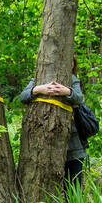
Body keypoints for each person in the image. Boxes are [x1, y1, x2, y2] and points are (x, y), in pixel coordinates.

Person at [18, 60, 87, 188]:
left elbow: (79, 98)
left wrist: (67, 92)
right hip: (45, 144)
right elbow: (23, 96)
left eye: (71, 61)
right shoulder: (38, 79)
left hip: (73, 144)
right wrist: (38, 89)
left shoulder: (72, 79)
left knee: (73, 184)